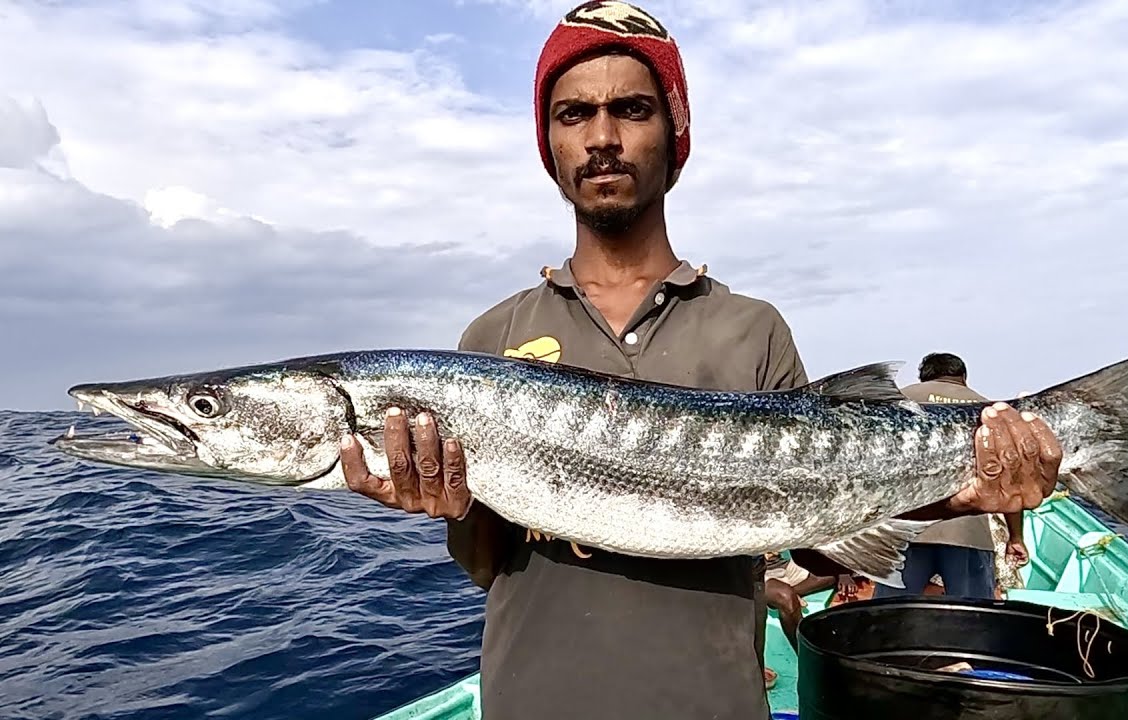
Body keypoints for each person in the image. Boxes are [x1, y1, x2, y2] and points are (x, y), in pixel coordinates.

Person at [338, 2, 1063, 718]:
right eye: (573, 114)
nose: (602, 137)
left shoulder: (753, 328)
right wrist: (446, 501)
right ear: (548, 142)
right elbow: (485, 563)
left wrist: (958, 492)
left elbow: (818, 543)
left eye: (631, 109)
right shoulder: (491, 335)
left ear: (673, 133)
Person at [871, 352, 1030, 599]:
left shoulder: (899, 399)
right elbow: (1009, 482)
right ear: (963, 378)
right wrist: (1016, 537)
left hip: (905, 530)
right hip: (968, 532)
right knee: (975, 617)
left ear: (923, 377)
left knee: (890, 615)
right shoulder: (990, 410)